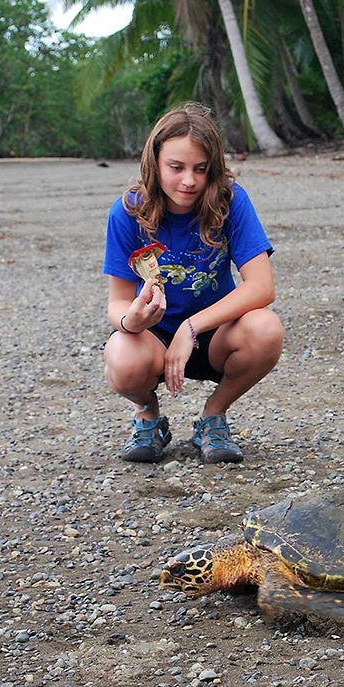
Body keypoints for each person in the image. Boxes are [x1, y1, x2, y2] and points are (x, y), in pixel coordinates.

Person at [101, 104, 284, 464]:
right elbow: (118, 302)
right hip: (153, 339)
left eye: (200, 169)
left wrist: (192, 327)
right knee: (121, 354)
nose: (189, 181)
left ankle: (212, 416)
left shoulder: (230, 201)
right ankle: (148, 416)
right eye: (176, 167)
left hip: (215, 335)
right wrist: (132, 321)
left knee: (267, 329)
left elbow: (262, 287)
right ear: (154, 161)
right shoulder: (127, 211)